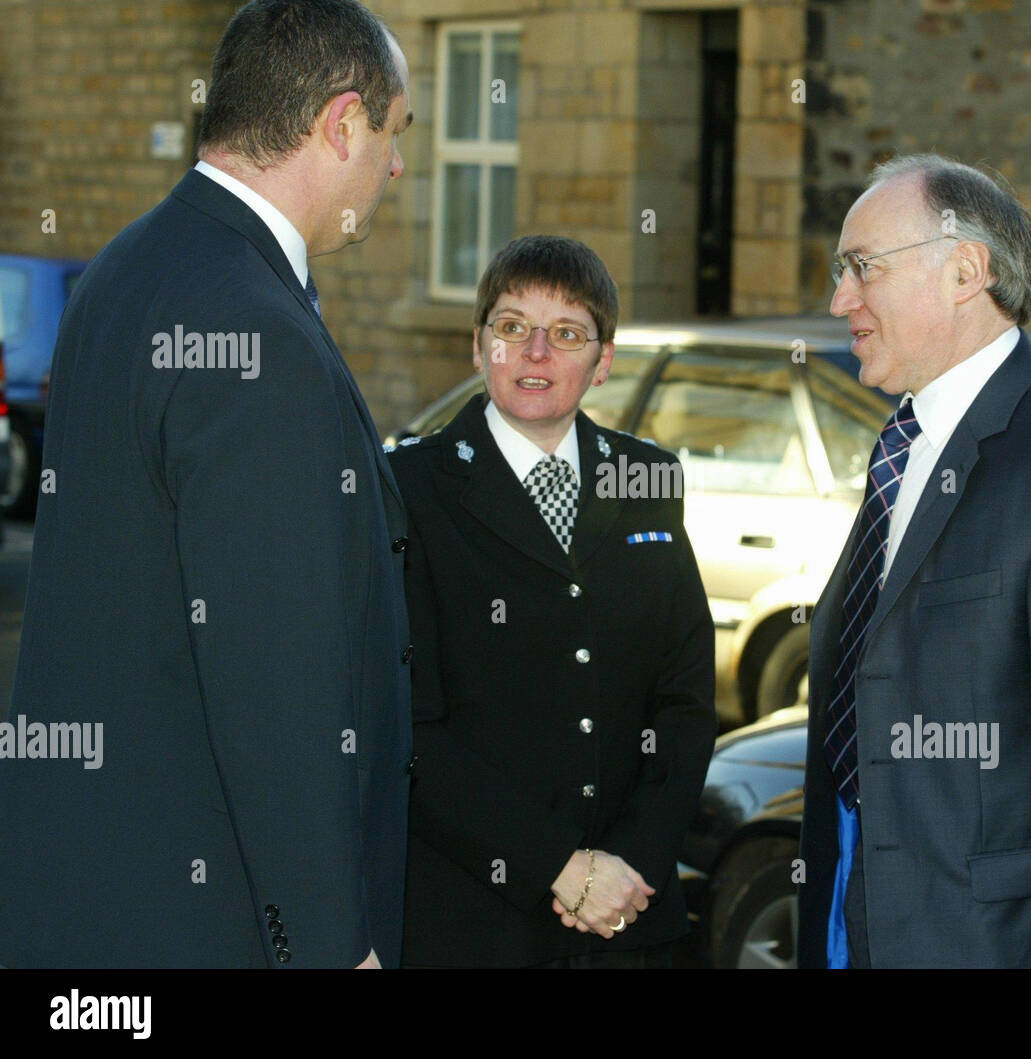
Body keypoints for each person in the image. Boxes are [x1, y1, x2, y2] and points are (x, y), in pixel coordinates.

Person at [0, 0, 415, 968]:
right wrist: (326, 944)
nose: (396, 166)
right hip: (204, 922)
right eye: (395, 133)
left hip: (89, 900)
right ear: (340, 121)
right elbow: (274, 679)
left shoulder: (123, 270)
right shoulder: (255, 332)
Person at [797, 154, 1031, 968]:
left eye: (862, 267)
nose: (840, 301)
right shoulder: (903, 442)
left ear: (965, 270)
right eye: (840, 273)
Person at [390, 235, 716, 968]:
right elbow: (412, 728)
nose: (536, 352)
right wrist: (558, 867)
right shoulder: (410, 490)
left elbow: (685, 699)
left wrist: (629, 865)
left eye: (566, 333)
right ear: (479, 347)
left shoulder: (647, 478)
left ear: (602, 362)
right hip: (479, 924)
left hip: (628, 921)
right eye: (512, 328)